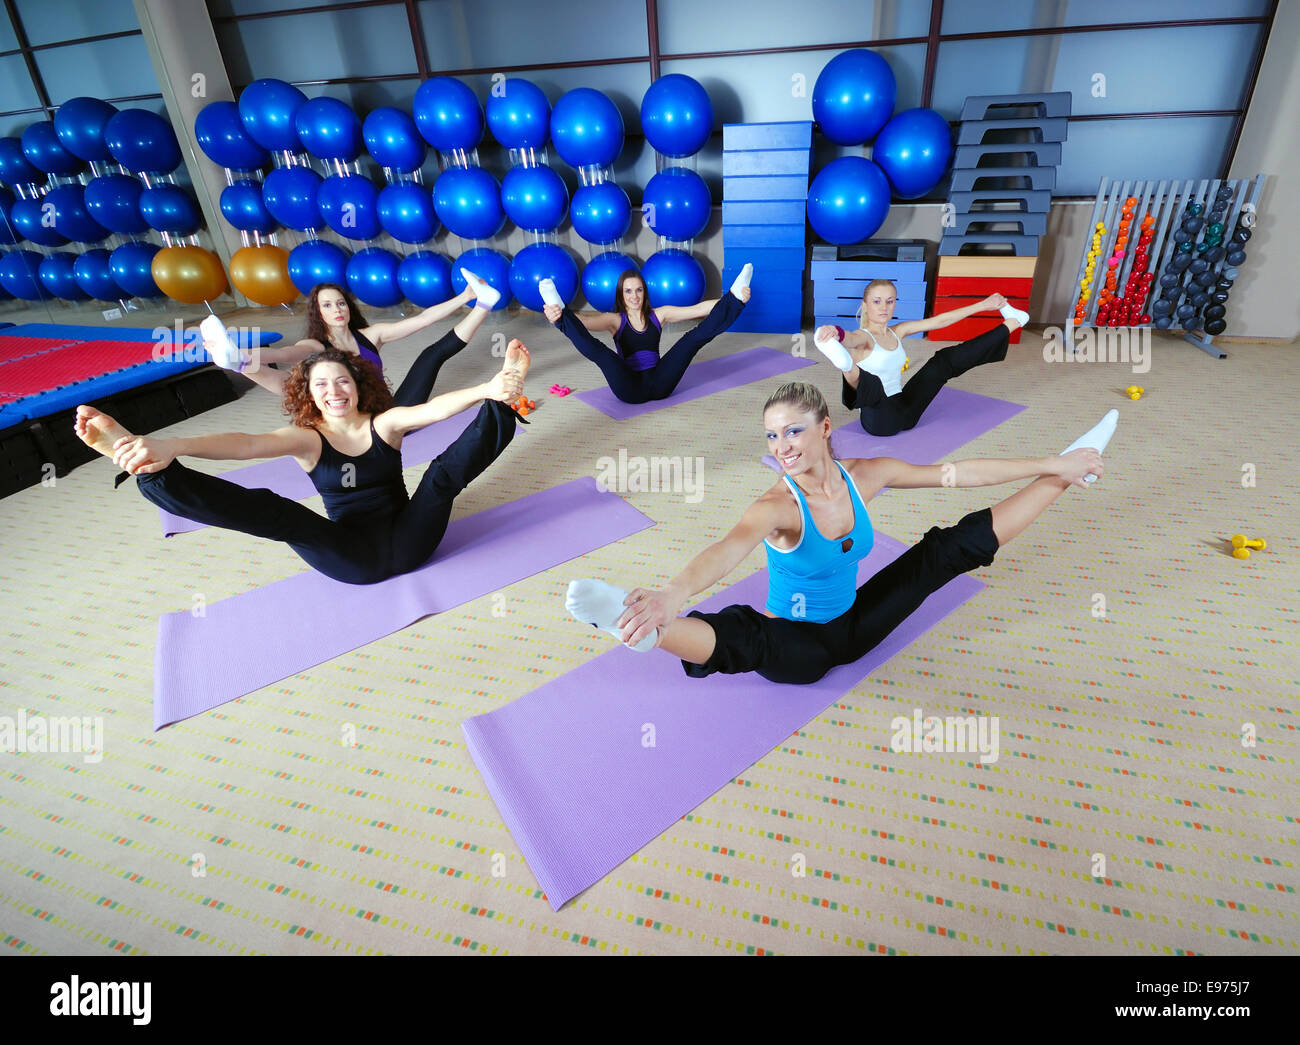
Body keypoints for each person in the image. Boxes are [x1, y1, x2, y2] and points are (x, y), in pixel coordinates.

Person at [564, 381, 1117, 684]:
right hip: (795, 647)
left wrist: (1048, 461)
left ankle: (1064, 473)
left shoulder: (868, 476)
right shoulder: (778, 505)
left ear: (825, 428)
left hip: (856, 623)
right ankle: (643, 626)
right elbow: (729, 547)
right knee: (744, 635)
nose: (781, 446)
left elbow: (959, 473)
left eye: (793, 431)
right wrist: (672, 593)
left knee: (945, 551)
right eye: (772, 435)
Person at [74, 340, 531, 586]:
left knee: (439, 480)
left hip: (412, 538)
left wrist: (486, 389)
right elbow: (246, 444)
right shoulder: (307, 439)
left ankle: (505, 399)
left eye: (342, 381)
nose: (334, 391)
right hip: (350, 558)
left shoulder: (385, 422)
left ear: (358, 385)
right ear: (308, 396)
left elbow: (432, 410)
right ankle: (154, 469)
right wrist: (175, 444)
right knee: (283, 515)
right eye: (321, 386)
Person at [203, 270, 502, 405]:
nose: (337, 309)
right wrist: (246, 353)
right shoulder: (316, 346)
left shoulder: (371, 335)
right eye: (328, 305)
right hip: (355, 423)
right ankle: (239, 360)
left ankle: (484, 303)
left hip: (387, 412)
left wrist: (465, 295)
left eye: (341, 303)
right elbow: (282, 355)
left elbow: (422, 319)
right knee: (295, 385)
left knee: (431, 355)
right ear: (318, 313)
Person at [813, 279, 1031, 436]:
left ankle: (1012, 323)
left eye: (890, 301)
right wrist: (835, 332)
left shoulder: (897, 331)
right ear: (865, 305)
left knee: (942, 361)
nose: (884, 307)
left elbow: (940, 321)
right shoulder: (863, 337)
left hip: (905, 411)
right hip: (879, 422)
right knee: (871, 383)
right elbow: (849, 338)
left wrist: (984, 305)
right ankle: (845, 364)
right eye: (877, 301)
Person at [539, 264, 753, 404]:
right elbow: (584, 322)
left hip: (661, 383)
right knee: (601, 354)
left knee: (691, 340)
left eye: (639, 290)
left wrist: (733, 300)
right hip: (628, 388)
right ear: (621, 295)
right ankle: (558, 310)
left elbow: (698, 310)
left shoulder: (659, 315)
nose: (634, 296)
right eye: (628, 291)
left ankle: (733, 297)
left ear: (645, 292)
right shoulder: (614, 320)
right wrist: (558, 315)